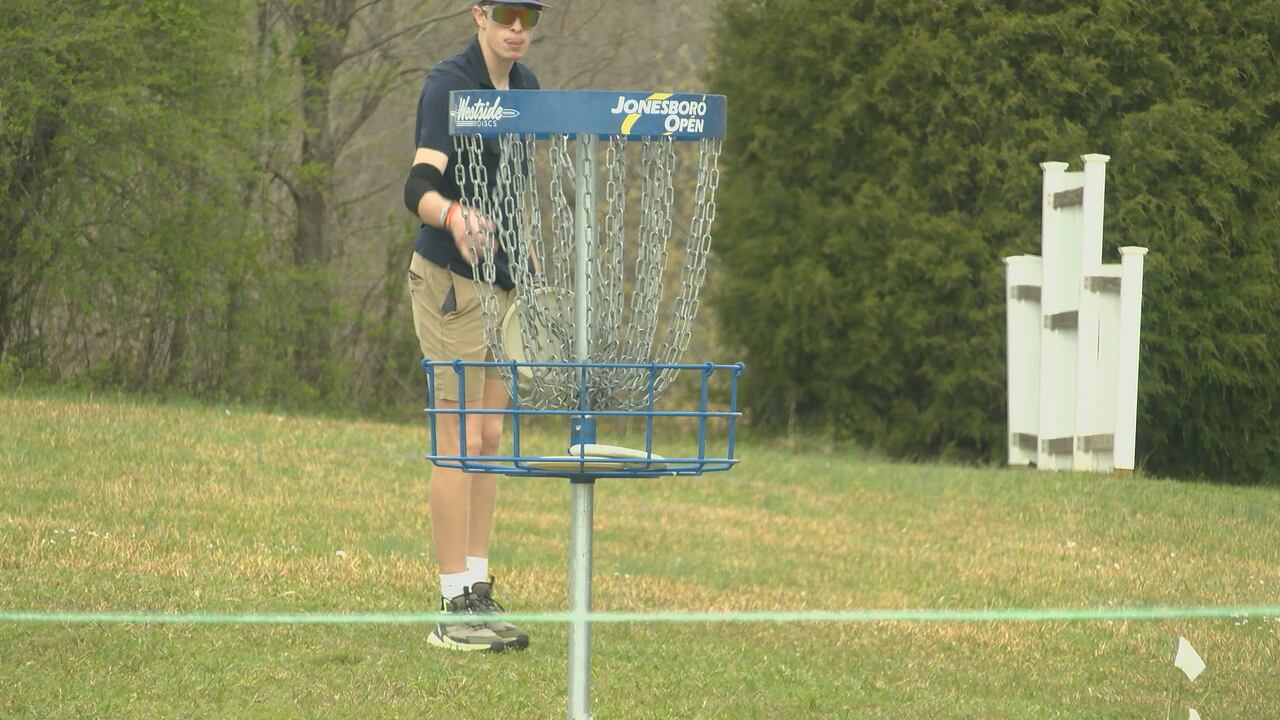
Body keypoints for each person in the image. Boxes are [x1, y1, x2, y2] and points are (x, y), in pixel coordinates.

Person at [402, 0, 547, 653]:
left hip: (500, 286)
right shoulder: (448, 84)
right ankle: (451, 607)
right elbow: (419, 185)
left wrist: (527, 256)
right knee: (458, 439)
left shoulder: (529, 89)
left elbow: (516, 191)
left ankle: (479, 588)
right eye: (508, 15)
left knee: (489, 436)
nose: (518, 29)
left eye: (530, 17)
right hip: (448, 284)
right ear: (479, 15)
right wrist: (454, 216)